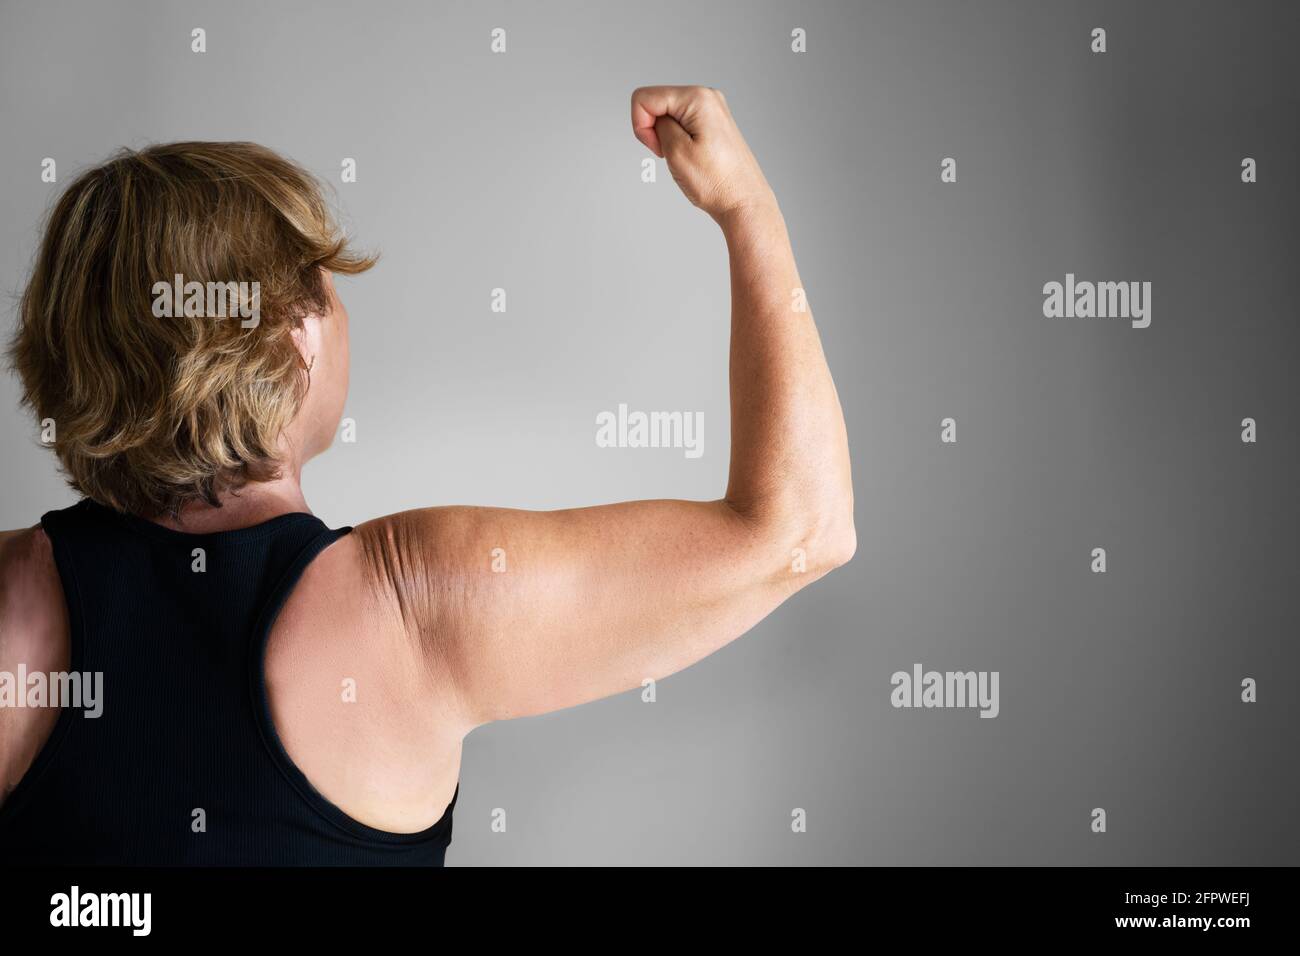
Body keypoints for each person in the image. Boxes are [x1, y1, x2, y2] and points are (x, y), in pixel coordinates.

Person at [0, 86, 855, 865]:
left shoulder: (13, 603)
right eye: (329, 292)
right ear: (296, 334)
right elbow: (800, 532)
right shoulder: (410, 608)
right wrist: (748, 208)